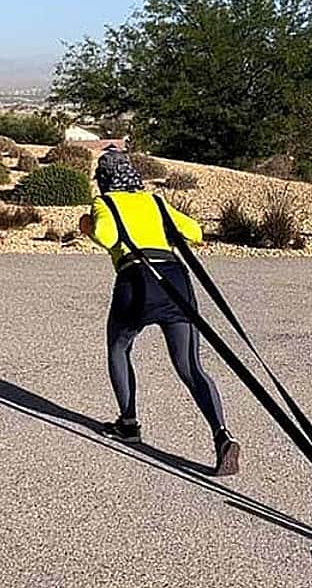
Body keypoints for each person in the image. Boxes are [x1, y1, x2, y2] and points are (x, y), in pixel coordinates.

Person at [78, 148, 240, 476]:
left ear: (104, 179)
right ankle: (222, 436)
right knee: (190, 365)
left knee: (119, 348)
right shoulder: (154, 201)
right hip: (175, 280)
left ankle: (129, 423)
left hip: (136, 279)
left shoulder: (104, 202)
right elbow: (194, 232)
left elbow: (108, 235)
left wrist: (88, 226)